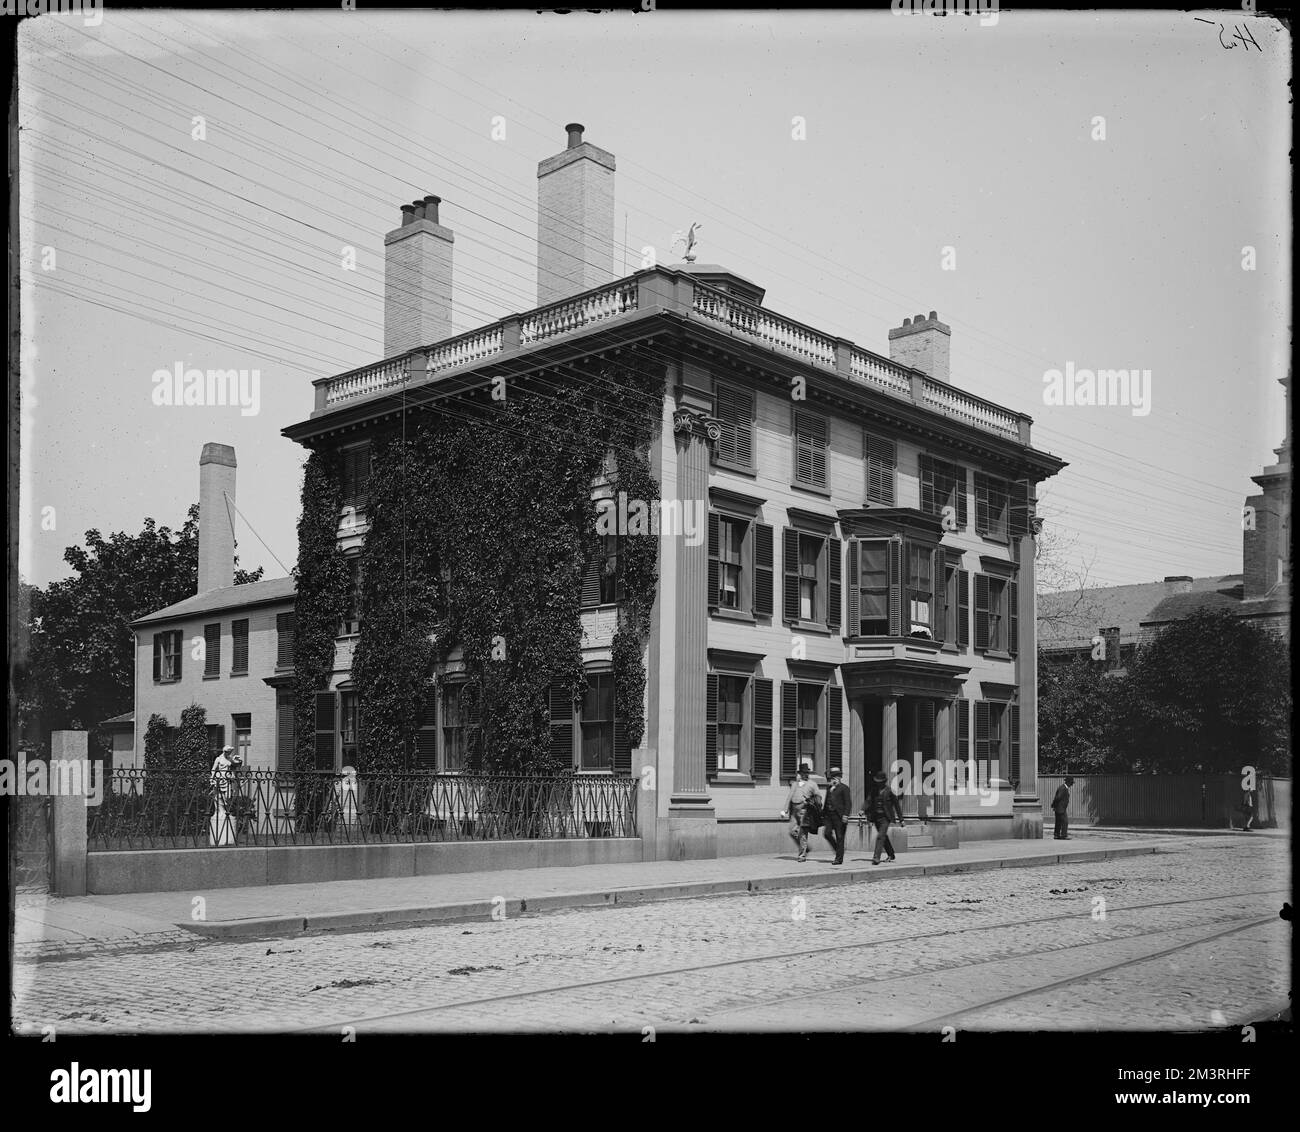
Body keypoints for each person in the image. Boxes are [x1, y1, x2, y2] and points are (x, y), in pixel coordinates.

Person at [780, 763, 821, 862]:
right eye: (803, 773)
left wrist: (816, 805)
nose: (805, 775)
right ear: (800, 773)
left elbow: (818, 797)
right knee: (792, 831)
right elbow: (789, 797)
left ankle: (802, 855)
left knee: (803, 833)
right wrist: (784, 810)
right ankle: (805, 847)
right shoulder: (795, 784)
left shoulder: (812, 784)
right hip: (794, 811)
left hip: (804, 810)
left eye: (807, 773)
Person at [863, 770, 905, 865]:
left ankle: (876, 857)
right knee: (883, 837)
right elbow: (868, 801)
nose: (878, 784)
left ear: (883, 782)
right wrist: (862, 810)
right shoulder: (874, 790)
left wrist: (901, 820)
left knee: (880, 836)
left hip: (885, 818)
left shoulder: (889, 791)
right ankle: (891, 854)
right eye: (877, 782)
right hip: (876, 817)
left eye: (880, 782)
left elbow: (896, 805)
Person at [209, 746, 242, 847]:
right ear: (224, 751)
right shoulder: (218, 759)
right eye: (228, 752)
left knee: (227, 796)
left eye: (230, 752)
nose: (229, 753)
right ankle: (220, 812)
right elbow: (214, 769)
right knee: (218, 797)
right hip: (219, 780)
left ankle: (225, 811)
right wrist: (212, 779)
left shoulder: (230, 759)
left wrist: (239, 761)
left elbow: (237, 766)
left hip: (227, 780)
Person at [822, 767, 853, 865]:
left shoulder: (844, 788)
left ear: (839, 778)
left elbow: (848, 803)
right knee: (827, 833)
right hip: (829, 816)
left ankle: (839, 859)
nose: (832, 780)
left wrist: (846, 815)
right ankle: (838, 850)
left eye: (834, 778)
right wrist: (823, 814)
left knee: (840, 837)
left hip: (839, 816)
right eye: (831, 778)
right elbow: (826, 801)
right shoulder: (829, 788)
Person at [1051, 775, 1074, 839]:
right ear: (1068, 782)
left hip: (1059, 807)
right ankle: (1063, 835)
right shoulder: (1063, 788)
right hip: (1061, 808)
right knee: (1065, 821)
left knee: (1058, 822)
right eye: (1071, 783)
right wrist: (1054, 805)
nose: (1072, 785)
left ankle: (1056, 835)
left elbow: (1057, 797)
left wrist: (1054, 805)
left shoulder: (1063, 788)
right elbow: (1058, 797)